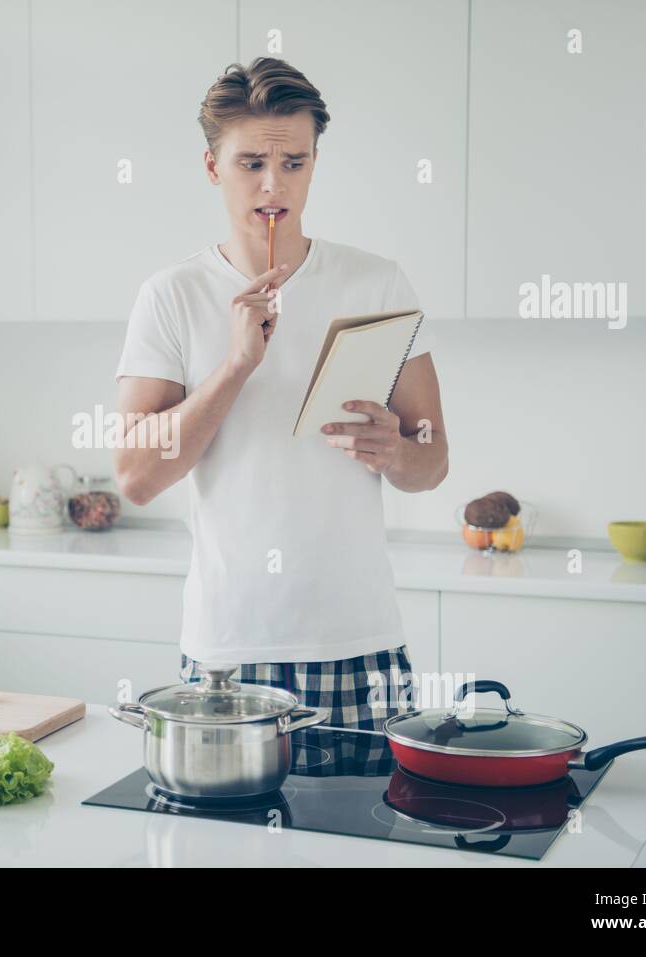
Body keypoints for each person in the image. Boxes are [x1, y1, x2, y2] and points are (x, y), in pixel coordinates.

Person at [112, 57, 449, 730]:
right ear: (213, 167)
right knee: (224, 840)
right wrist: (237, 364)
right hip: (229, 650)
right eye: (250, 164)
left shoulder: (379, 284)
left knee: (369, 838)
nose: (274, 185)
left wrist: (394, 451)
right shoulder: (171, 295)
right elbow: (136, 475)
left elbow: (432, 459)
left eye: (294, 162)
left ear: (315, 162)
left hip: (360, 641)